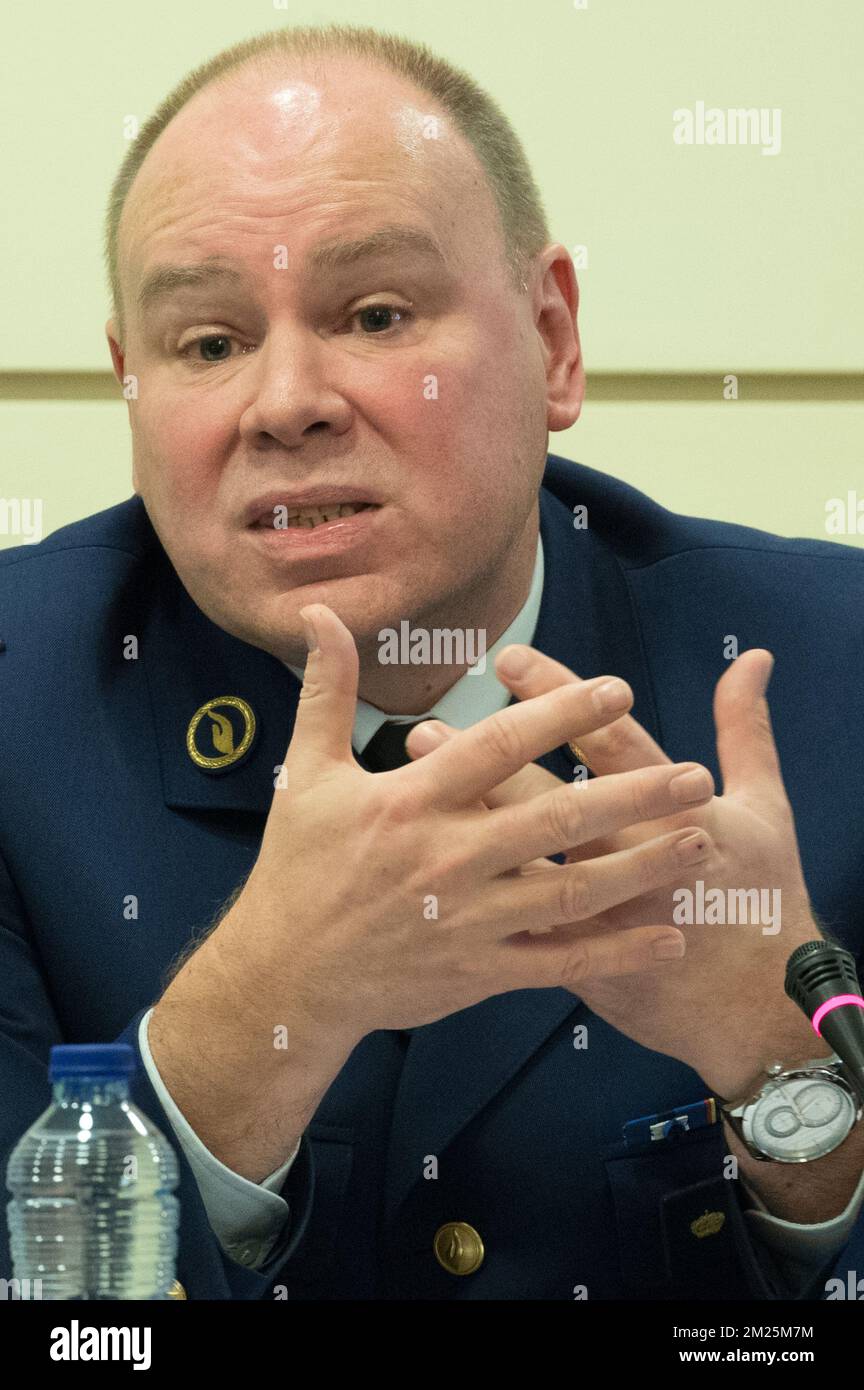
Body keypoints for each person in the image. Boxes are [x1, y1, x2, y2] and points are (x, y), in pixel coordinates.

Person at [2, 22, 863, 1301]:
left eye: (376, 312)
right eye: (209, 344)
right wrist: (244, 1027)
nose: (284, 399)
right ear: (131, 384)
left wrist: (784, 1079)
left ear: (553, 339)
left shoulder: (834, 672)